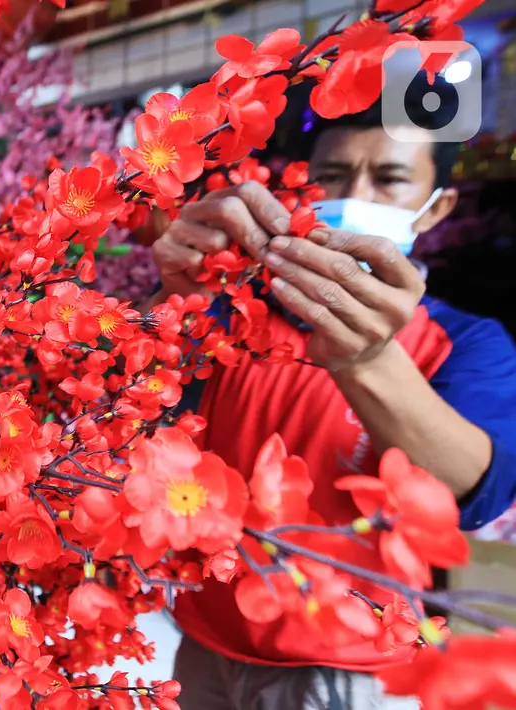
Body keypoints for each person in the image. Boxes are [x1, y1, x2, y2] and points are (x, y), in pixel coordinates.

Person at [148, 93, 516, 707]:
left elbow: (474, 490)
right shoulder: (234, 310)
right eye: (333, 176)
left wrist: (367, 359)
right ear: (301, 188)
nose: (356, 197)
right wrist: (171, 298)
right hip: (206, 635)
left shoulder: (466, 342)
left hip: (344, 658)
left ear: (436, 207)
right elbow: (135, 409)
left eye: (390, 178)